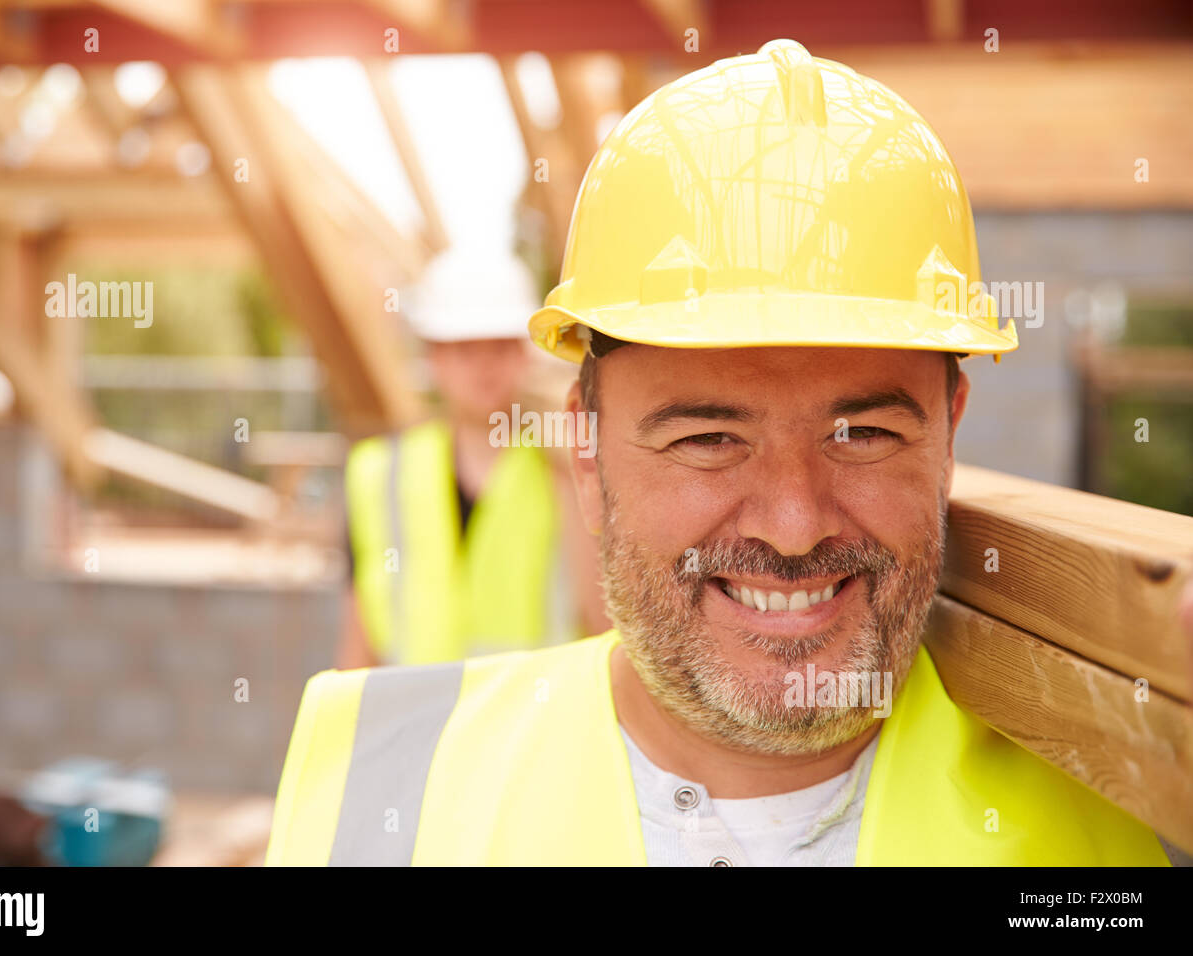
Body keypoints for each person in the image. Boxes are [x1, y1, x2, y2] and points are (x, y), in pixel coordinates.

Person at [269, 40, 1173, 865]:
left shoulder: (1105, 826)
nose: (790, 527)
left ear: (948, 441)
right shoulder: (382, 793)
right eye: (708, 439)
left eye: (862, 434)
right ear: (586, 456)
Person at [335, 246, 607, 668]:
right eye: (465, 349)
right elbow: (360, 643)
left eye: (499, 347)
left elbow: (602, 626)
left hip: (532, 729)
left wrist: (570, 460)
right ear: (433, 357)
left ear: (525, 353)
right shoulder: (378, 474)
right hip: (419, 730)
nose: (484, 366)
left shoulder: (562, 464)